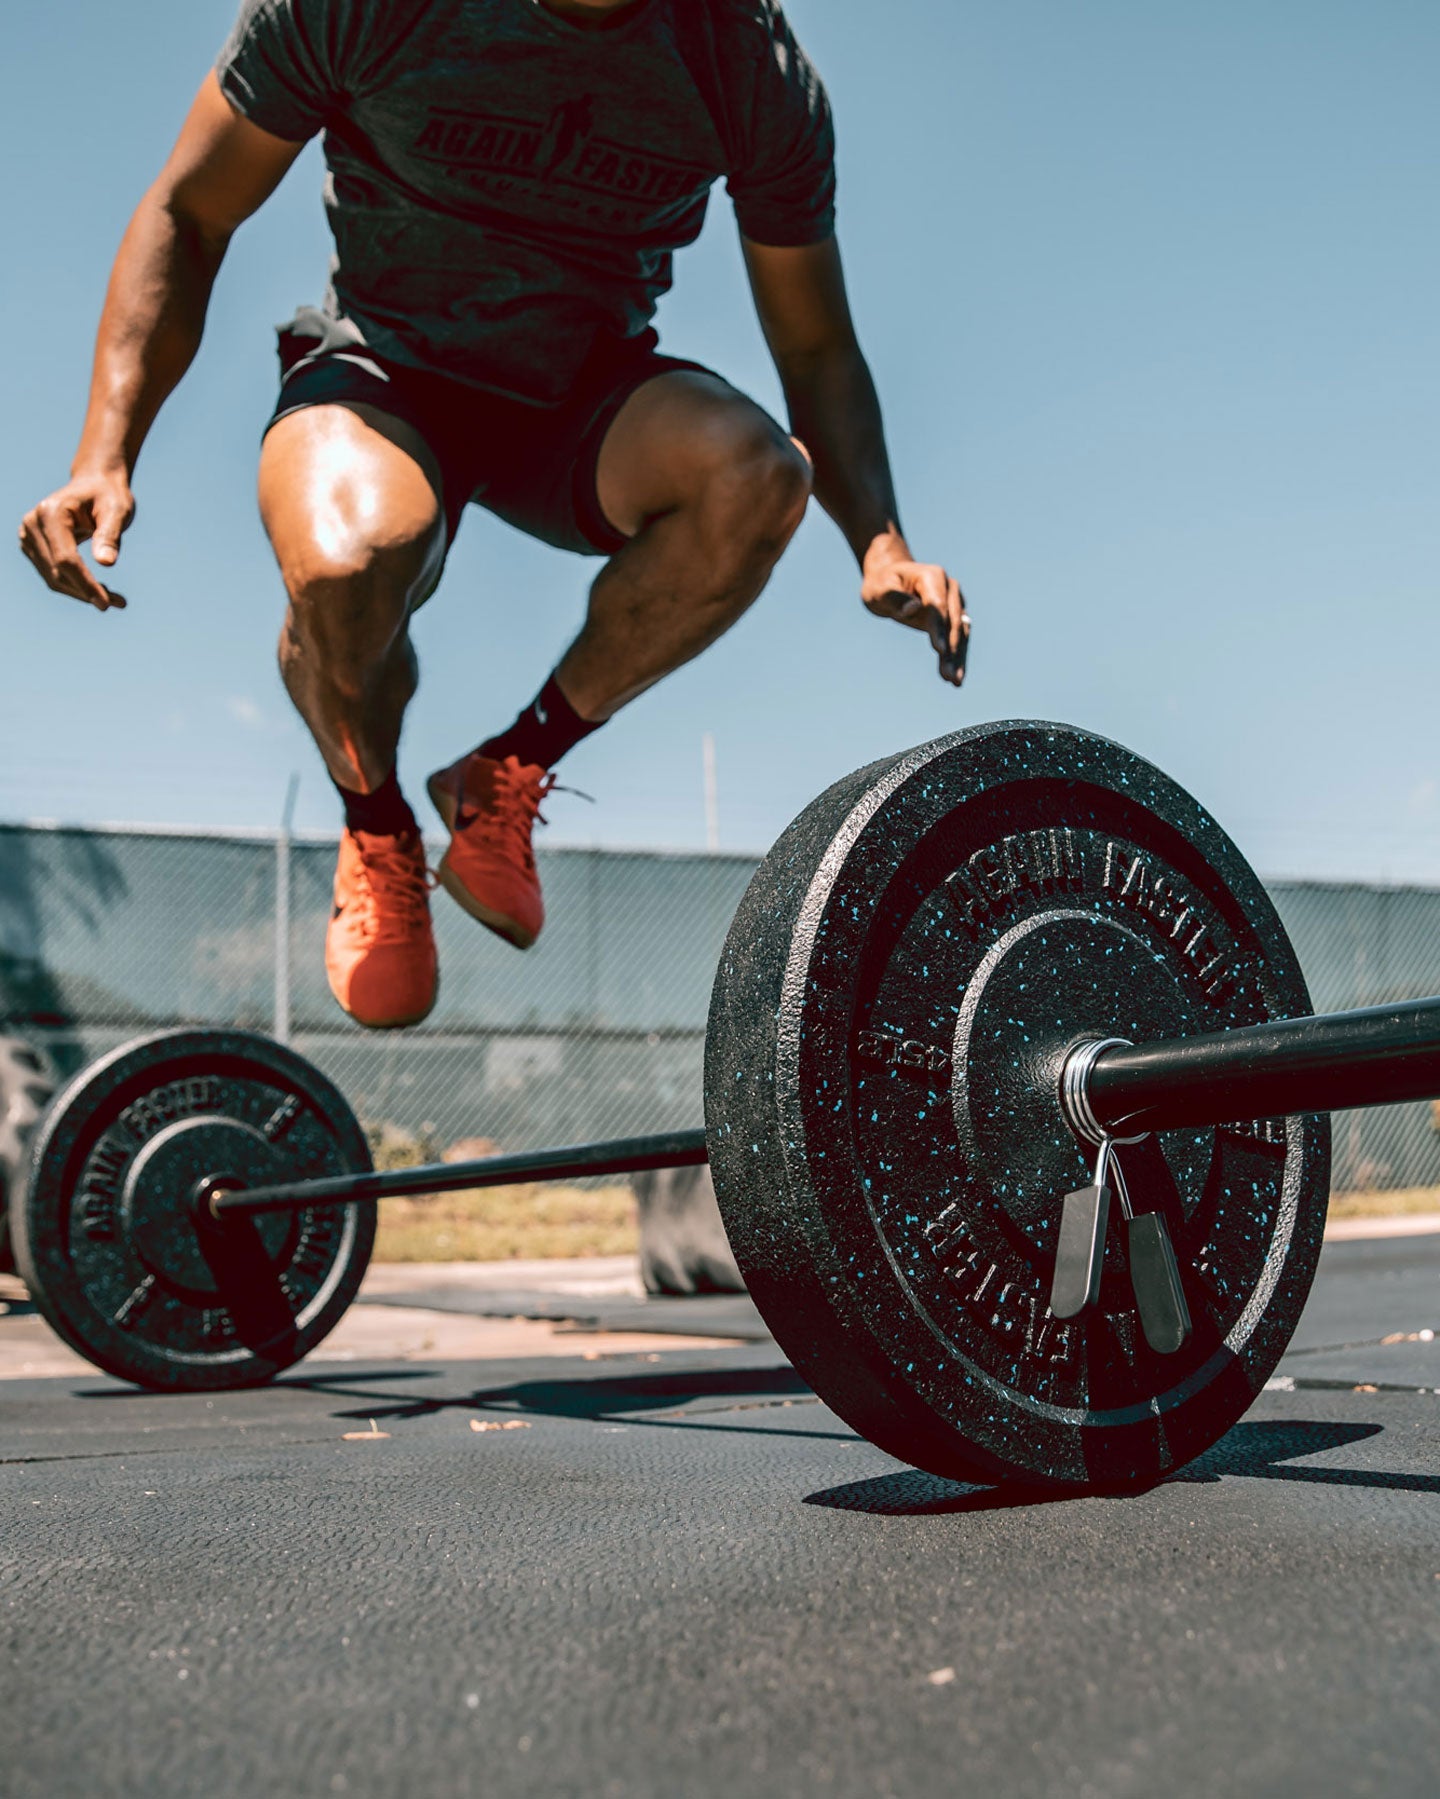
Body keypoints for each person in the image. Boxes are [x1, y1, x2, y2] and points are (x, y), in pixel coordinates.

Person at [19, 0, 969, 1031]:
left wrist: (879, 541)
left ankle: (504, 773)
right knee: (344, 566)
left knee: (757, 476)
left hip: (579, 397)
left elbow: (816, 344)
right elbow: (191, 209)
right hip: (385, 368)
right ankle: (376, 819)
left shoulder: (745, 59)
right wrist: (104, 452)